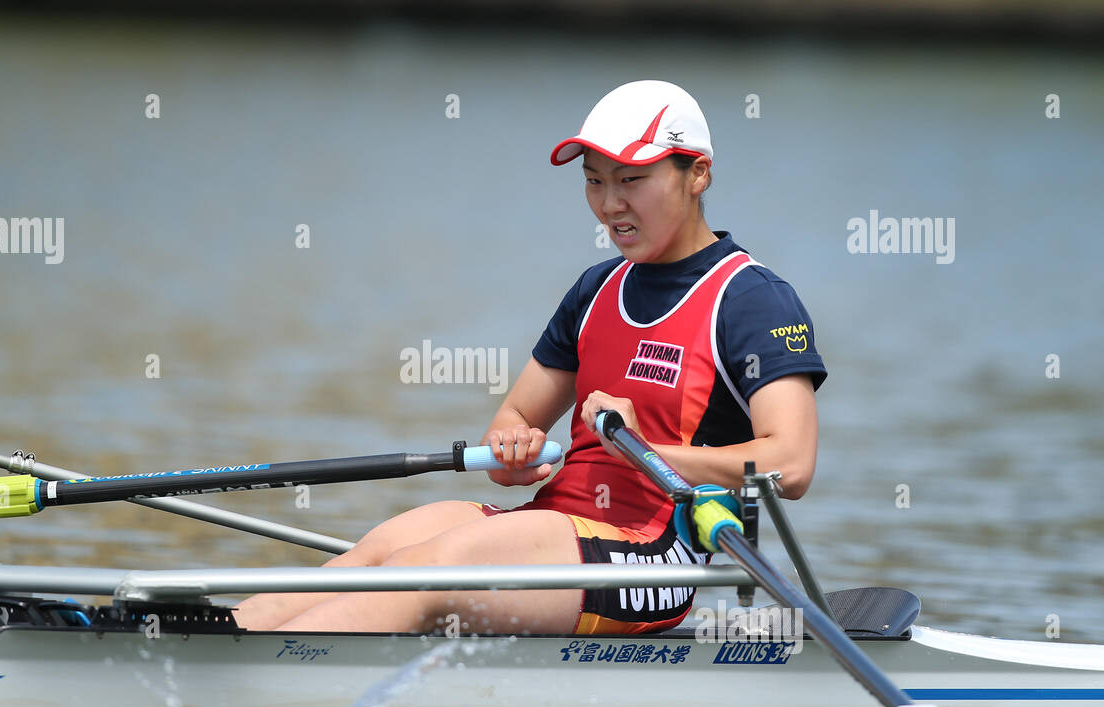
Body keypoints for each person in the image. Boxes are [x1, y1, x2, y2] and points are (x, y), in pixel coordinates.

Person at [235, 80, 826, 635]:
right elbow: (514, 419)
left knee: (429, 569)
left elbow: (792, 465)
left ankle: (262, 682)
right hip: (558, 520)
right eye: (595, 181)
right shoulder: (596, 290)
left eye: (631, 180)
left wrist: (645, 448)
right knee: (376, 556)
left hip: (654, 555)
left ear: (697, 174)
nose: (610, 204)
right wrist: (512, 452)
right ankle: (224, 640)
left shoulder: (752, 300)